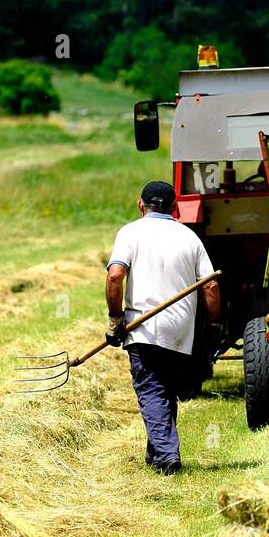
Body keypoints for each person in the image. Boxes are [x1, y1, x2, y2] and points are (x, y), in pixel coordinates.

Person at [105, 181, 220, 474]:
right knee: (164, 389)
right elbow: (211, 285)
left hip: (144, 327)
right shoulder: (189, 237)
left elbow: (115, 277)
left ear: (140, 205)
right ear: (175, 208)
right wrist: (210, 323)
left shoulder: (130, 232)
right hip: (182, 330)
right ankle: (156, 453)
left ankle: (168, 455)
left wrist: (115, 320)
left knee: (152, 389)